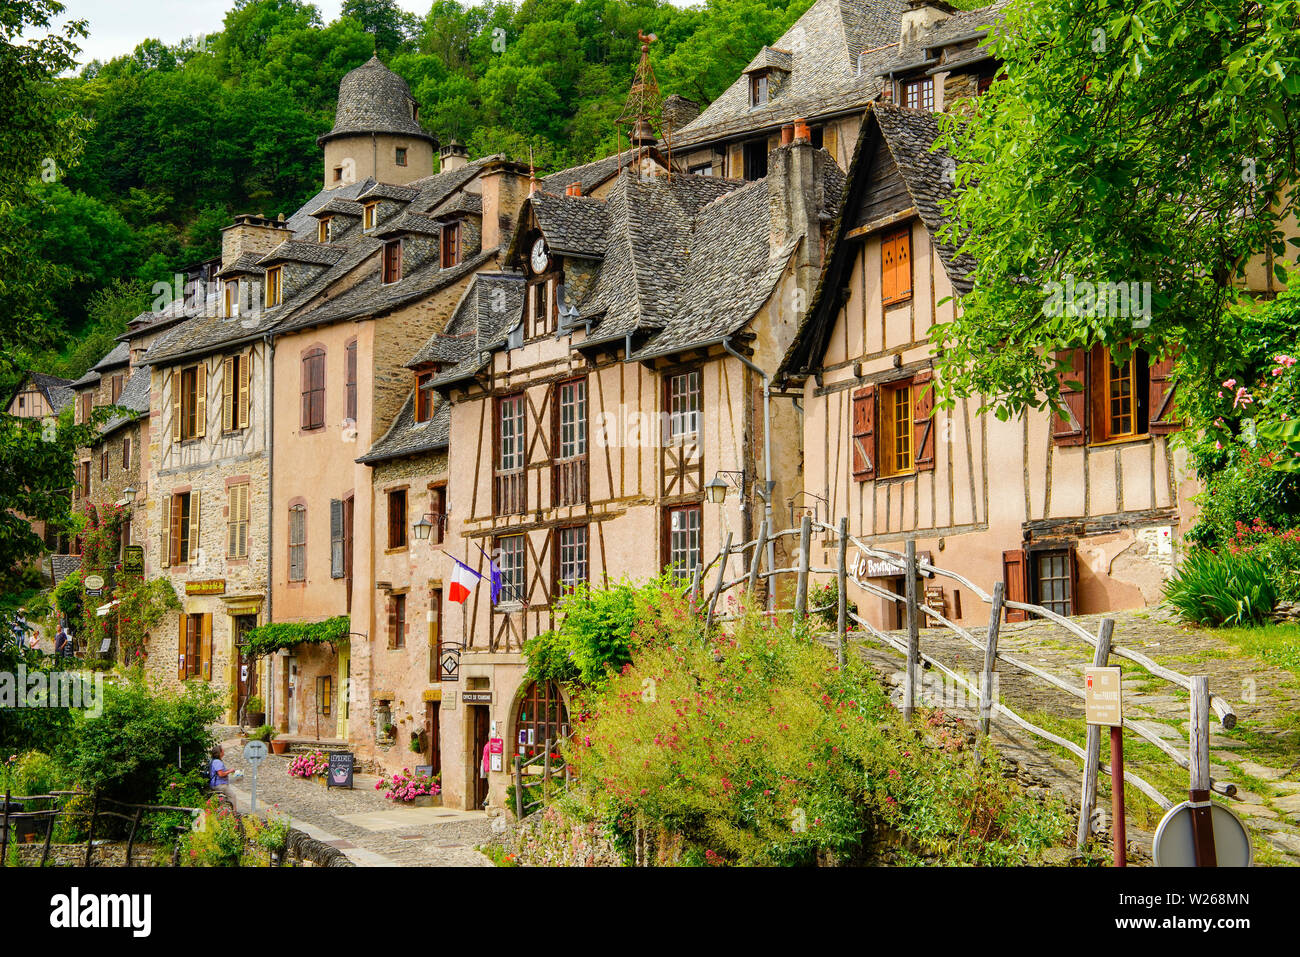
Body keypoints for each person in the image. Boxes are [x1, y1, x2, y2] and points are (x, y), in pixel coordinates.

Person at [209, 745, 238, 811]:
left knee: (223, 800)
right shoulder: (217, 762)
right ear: (220, 753)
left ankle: (226, 811)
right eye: (223, 750)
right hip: (219, 785)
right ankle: (234, 813)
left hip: (215, 784)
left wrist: (227, 770)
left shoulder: (214, 761)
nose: (224, 751)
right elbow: (220, 774)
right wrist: (230, 771)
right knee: (232, 796)